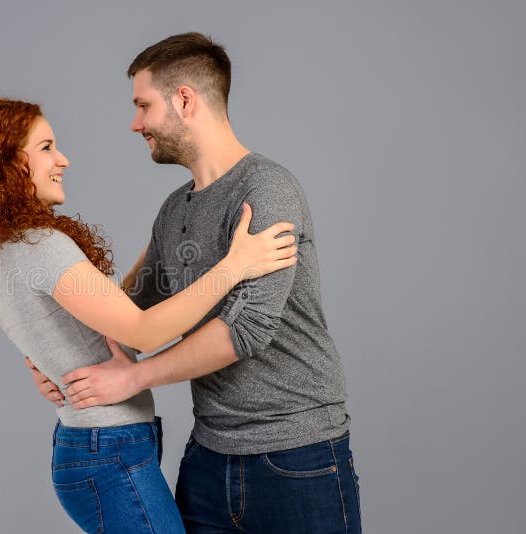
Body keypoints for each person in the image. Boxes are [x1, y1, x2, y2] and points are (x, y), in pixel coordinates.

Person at [27, 33, 362, 533]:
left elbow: (244, 331)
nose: (134, 123)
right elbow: (123, 313)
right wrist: (48, 358)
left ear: (184, 99)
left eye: (143, 105)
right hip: (208, 460)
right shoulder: (174, 211)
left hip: (297, 457)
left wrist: (134, 377)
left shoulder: (266, 189)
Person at [0, 97, 298, 533]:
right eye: (47, 147)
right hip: (107, 451)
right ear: (9, 162)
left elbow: (93, 310)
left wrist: (44, 361)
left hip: (93, 447)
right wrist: (236, 266)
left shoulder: (0, 250)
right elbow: (143, 333)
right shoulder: (40, 247)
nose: (63, 159)